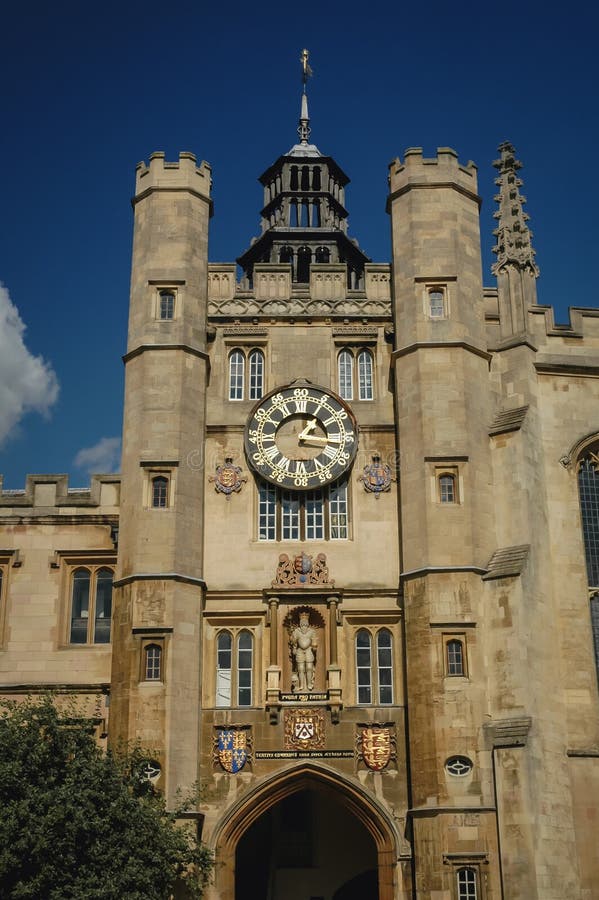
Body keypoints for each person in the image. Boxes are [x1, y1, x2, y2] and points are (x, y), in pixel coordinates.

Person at [291, 612, 318, 691]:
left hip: (309, 650)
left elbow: (314, 640)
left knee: (309, 667)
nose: (304, 623)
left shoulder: (312, 631)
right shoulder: (296, 631)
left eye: (305, 621)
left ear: (307, 622)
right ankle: (301, 685)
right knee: (300, 668)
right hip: (300, 651)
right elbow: (294, 642)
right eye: (302, 621)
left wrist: (314, 646)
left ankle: (309, 684)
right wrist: (294, 644)